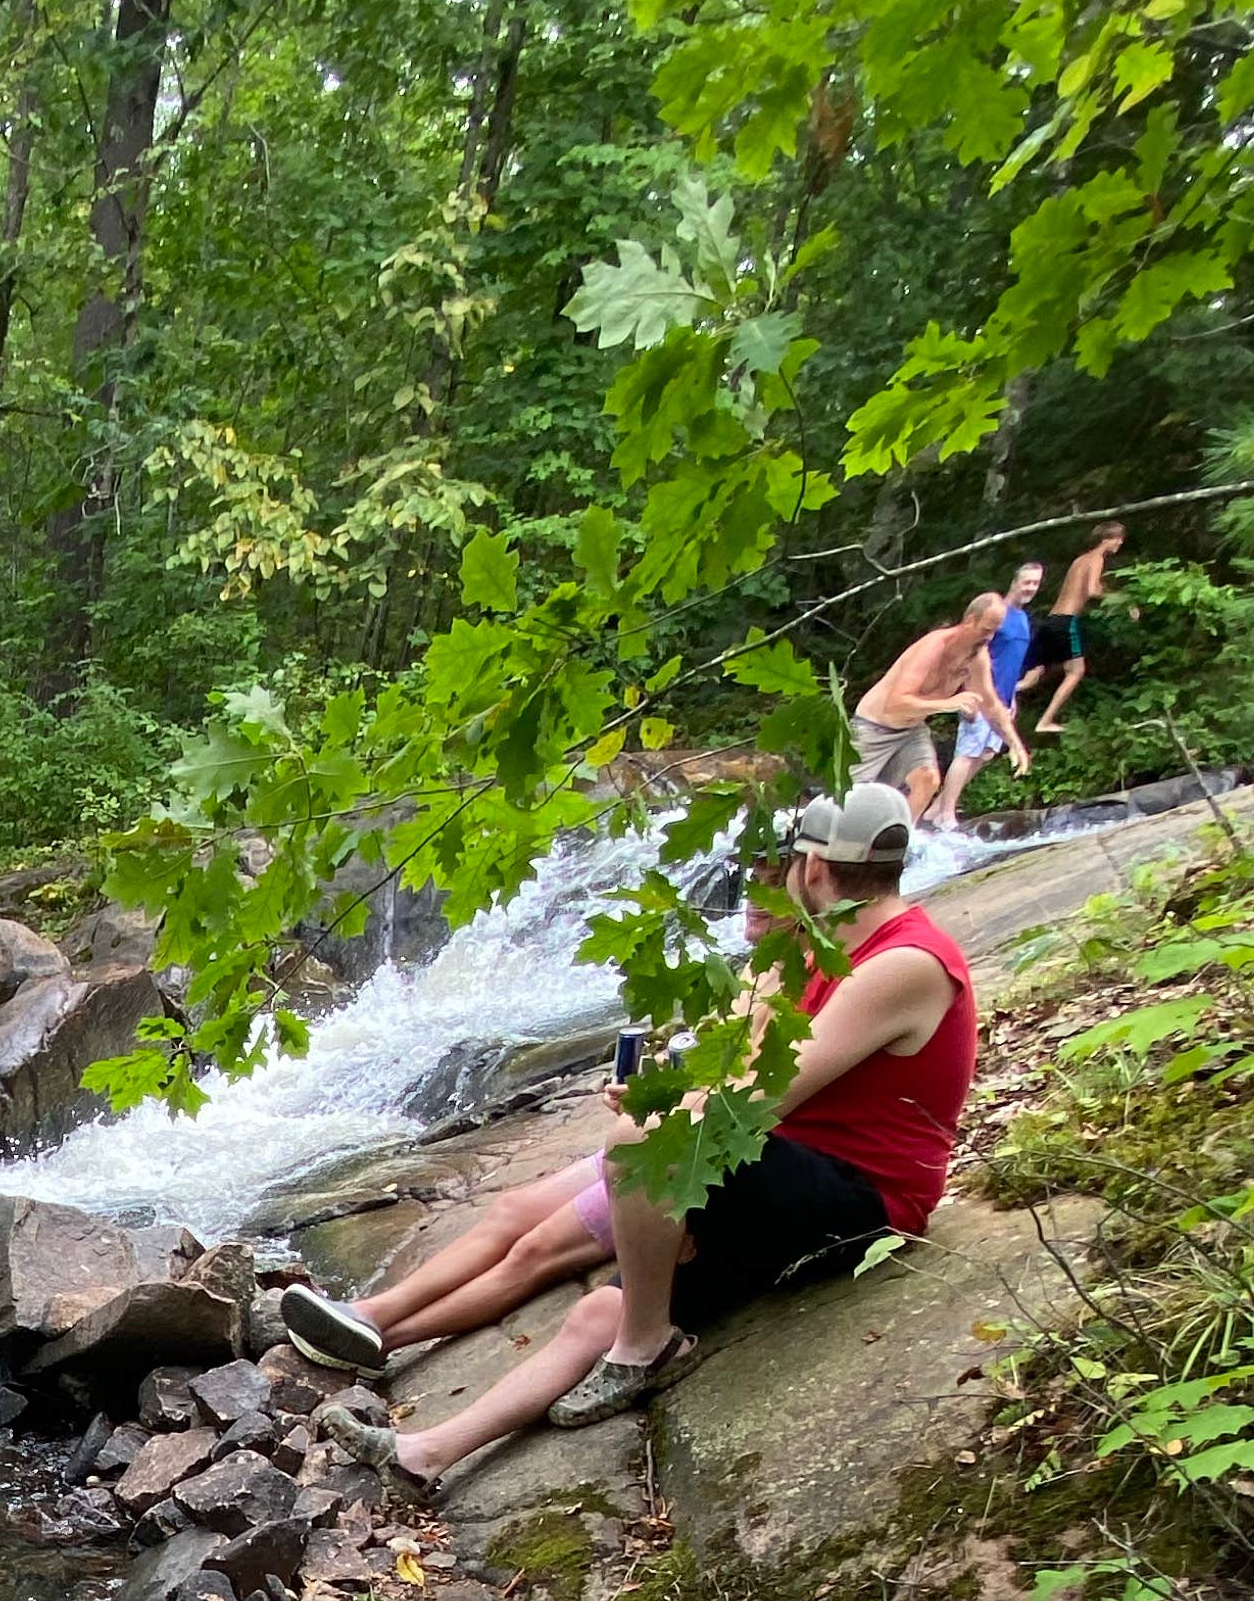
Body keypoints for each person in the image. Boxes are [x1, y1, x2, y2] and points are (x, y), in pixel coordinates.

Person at [320, 781, 976, 1487]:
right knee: (604, 1304)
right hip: (793, 1177)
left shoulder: (902, 962)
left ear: (812, 869)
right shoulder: (823, 950)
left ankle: (645, 1347)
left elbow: (759, 1101)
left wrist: (671, 1127)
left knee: (641, 1148)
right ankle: (428, 1454)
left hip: (862, 1201)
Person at [269, 1151, 616, 1377]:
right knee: (510, 1211)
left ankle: (381, 1340)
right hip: (638, 1140)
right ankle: (367, 1313)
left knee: (533, 1251)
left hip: (663, 1171)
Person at [847, 592, 1014, 816]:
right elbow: (895, 703)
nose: (990, 638)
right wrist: (947, 703)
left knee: (928, 779)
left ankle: (898, 840)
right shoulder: (934, 646)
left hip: (911, 729)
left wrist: (1014, 743)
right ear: (971, 620)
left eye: (995, 631)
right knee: (848, 798)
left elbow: (991, 704)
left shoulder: (976, 655)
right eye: (986, 630)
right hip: (874, 727)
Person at [931, 558, 1047, 830]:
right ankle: (946, 815)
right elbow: (968, 654)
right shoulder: (997, 615)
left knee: (985, 754)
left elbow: (1012, 661)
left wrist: (1013, 697)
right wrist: (964, 693)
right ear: (1015, 582)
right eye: (1026, 582)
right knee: (968, 752)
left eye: (1036, 583)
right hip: (981, 695)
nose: (1030, 588)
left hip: (1003, 698)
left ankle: (937, 809)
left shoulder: (1023, 619)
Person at [1030, 521, 1133, 737]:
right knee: (1076, 671)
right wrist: (1124, 600)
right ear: (1106, 540)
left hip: (1052, 620)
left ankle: (991, 696)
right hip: (1067, 622)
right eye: (1117, 538)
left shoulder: (1080, 560)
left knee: (1032, 676)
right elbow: (1093, 590)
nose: (1120, 542)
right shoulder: (1096, 558)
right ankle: (1045, 721)